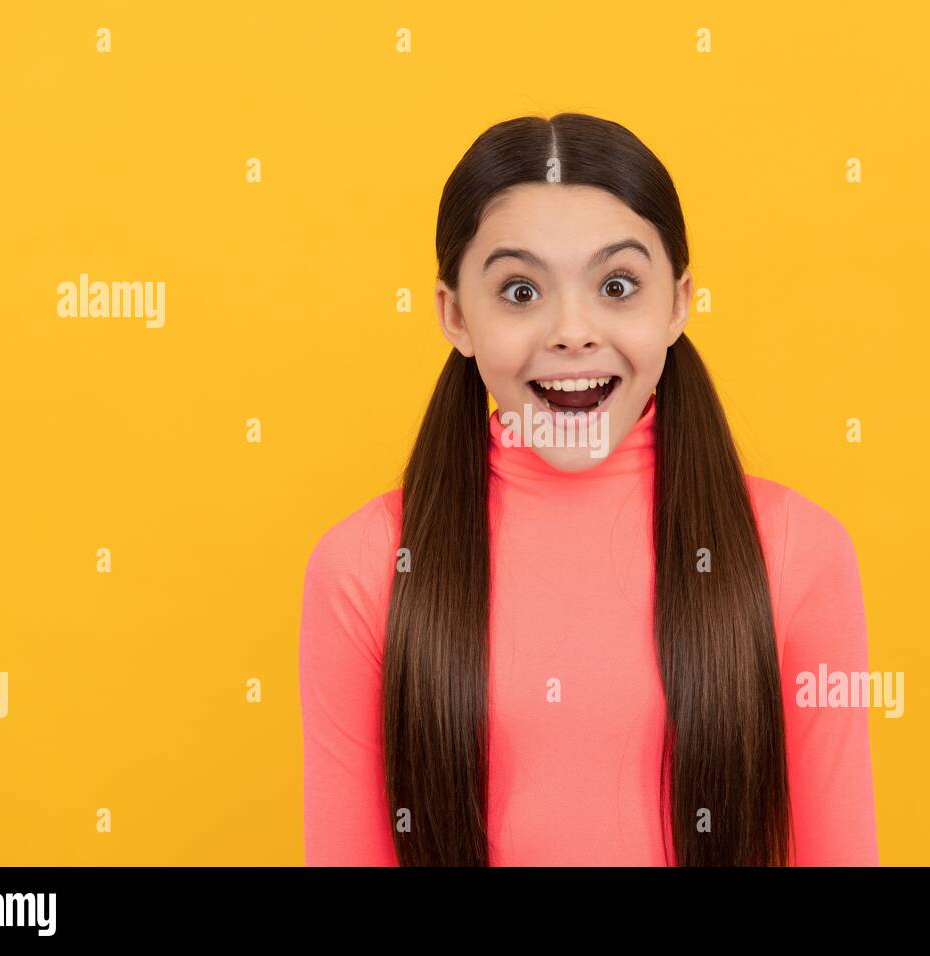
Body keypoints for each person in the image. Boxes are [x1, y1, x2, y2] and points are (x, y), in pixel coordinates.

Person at [299, 112, 879, 866]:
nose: (572, 331)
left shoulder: (800, 552)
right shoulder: (362, 568)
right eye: (519, 291)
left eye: (616, 285)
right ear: (455, 315)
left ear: (678, 303)